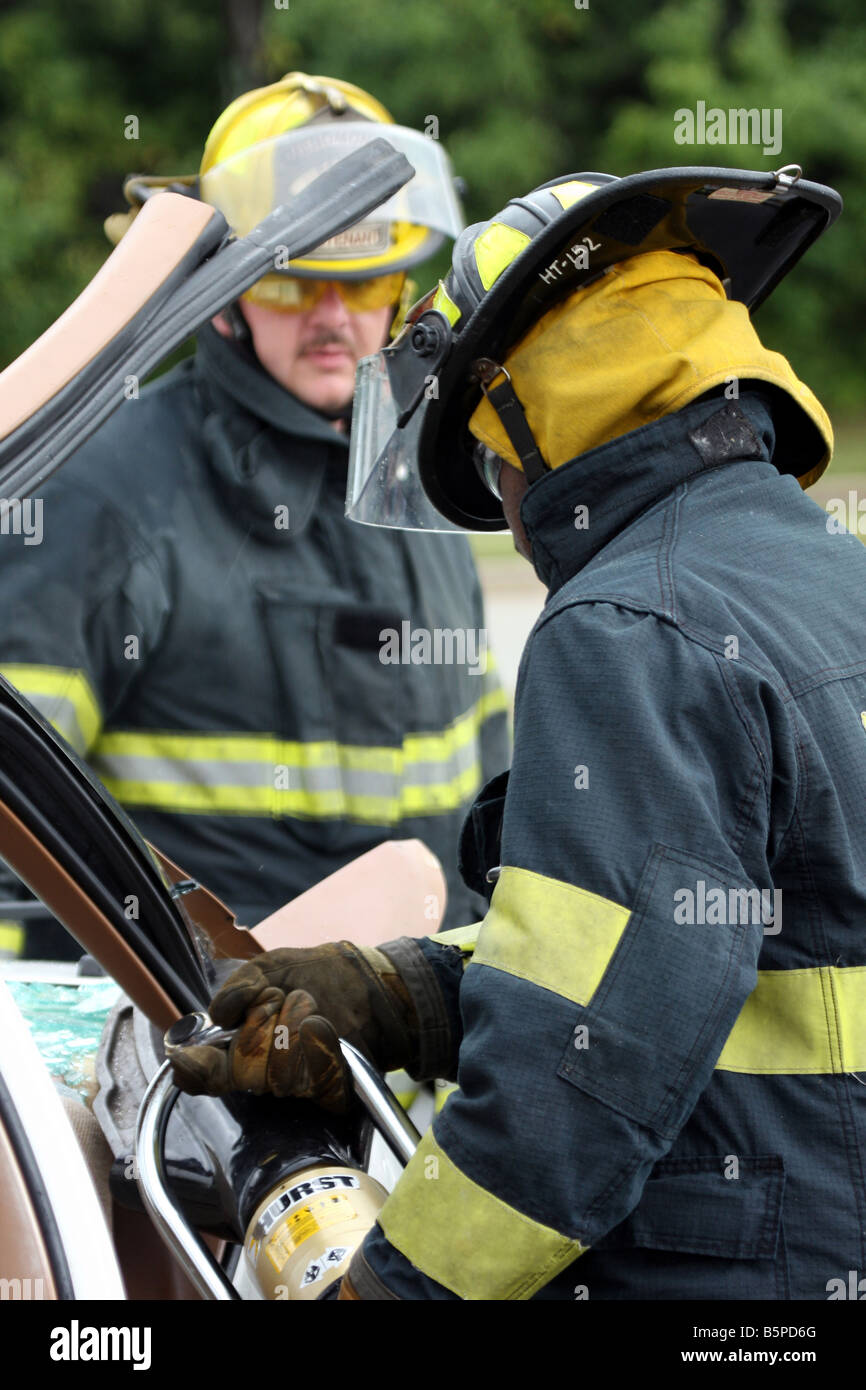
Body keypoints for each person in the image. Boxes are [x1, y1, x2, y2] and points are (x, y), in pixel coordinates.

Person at [171, 164, 866, 1302]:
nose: (504, 505)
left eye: (491, 455)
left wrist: (390, 1292)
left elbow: (572, 1087)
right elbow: (679, 960)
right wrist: (399, 998)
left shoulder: (630, 627)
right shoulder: (823, 575)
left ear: (541, 420)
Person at [0, 73, 508, 959]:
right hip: (204, 1036)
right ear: (224, 289)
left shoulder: (421, 484)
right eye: (291, 282)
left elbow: (492, 773)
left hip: (419, 1031)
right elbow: (17, 836)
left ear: (401, 286)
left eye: (363, 282)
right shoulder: (103, 491)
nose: (332, 318)